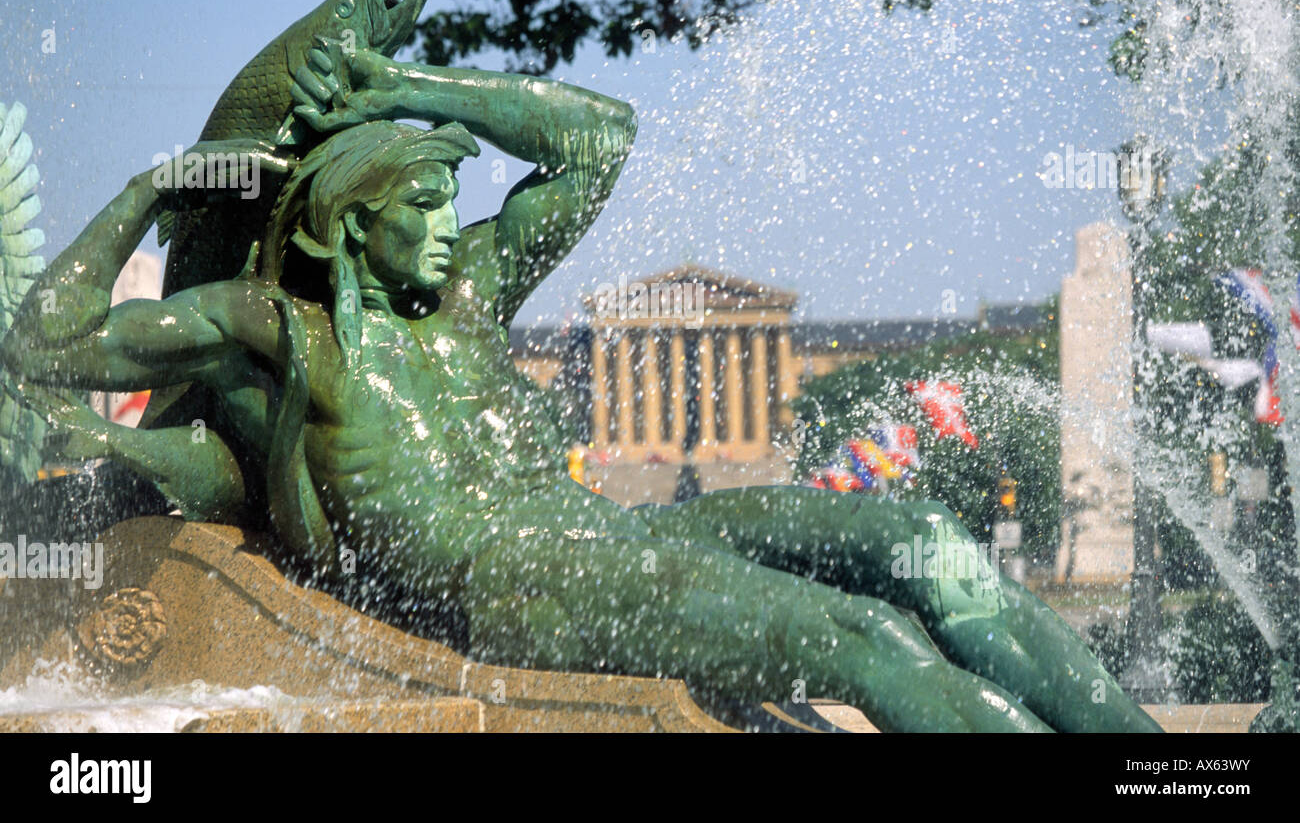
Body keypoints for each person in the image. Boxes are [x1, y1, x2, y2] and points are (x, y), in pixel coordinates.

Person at [0, 47, 1161, 732]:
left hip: (605, 536)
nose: (454, 231)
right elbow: (41, 347)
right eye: (424, 208)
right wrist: (160, 188)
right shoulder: (280, 334)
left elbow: (602, 137)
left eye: (455, 204)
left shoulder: (466, 302)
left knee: (919, 540)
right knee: (865, 633)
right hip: (513, 585)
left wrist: (406, 83)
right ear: (354, 222)